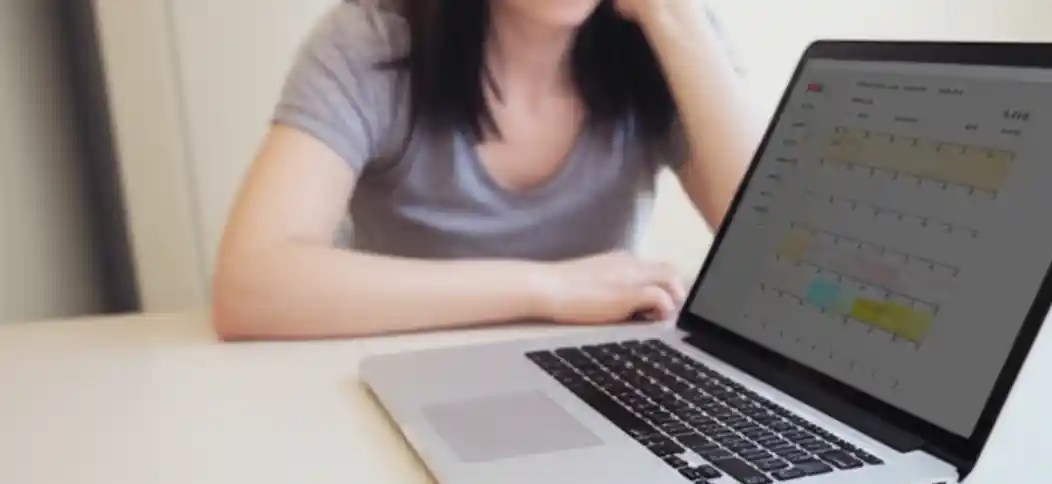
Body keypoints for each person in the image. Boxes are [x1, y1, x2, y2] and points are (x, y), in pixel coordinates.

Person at [212, 0, 755, 340]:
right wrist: (546, 288)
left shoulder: (670, 39)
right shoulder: (372, 43)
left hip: (594, 386)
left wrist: (675, 16)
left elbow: (777, 261)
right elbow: (251, 285)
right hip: (404, 377)